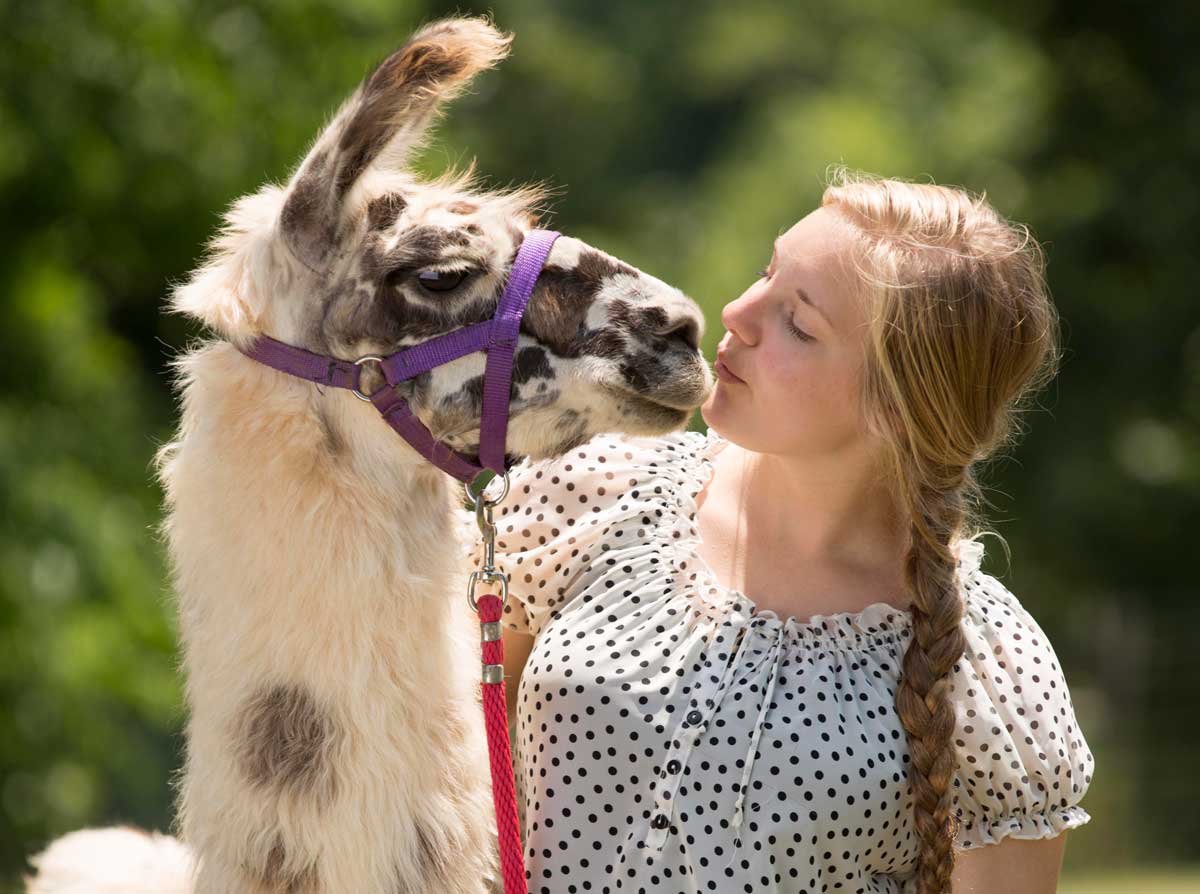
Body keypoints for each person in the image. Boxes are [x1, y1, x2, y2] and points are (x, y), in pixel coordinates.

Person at [460, 168, 1095, 894]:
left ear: (895, 407)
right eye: (767, 274)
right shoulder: (588, 490)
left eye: (798, 323)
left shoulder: (988, 670)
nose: (735, 312)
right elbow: (444, 762)